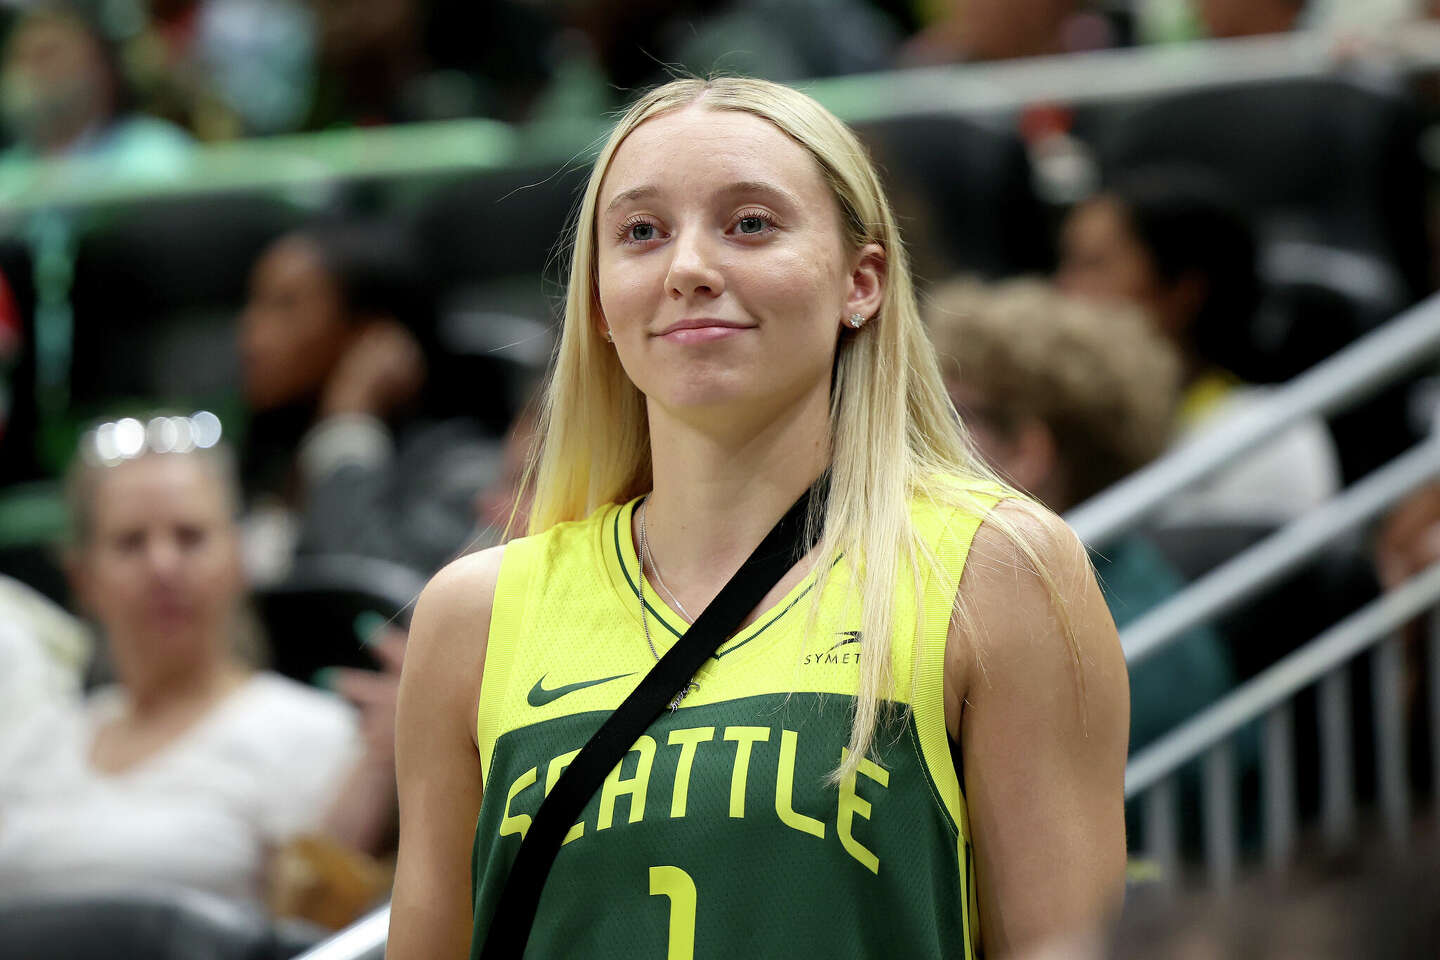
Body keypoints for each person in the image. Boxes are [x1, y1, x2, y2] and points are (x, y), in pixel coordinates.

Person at [388, 77, 1129, 959]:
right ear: (599, 303)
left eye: (750, 224)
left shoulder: (994, 570)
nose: (689, 267)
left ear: (862, 282)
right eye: (641, 233)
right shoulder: (472, 617)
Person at [0, 420, 390, 908]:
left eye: (190, 537)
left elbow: (314, 924)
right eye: (130, 542)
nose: (162, 564)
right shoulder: (39, 740)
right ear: (83, 578)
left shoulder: (313, 737)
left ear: (239, 557)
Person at [924, 277, 1233, 767]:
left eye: (950, 412)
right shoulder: (1100, 582)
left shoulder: (1124, 638)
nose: (918, 434)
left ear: (1028, 448)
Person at [1057, 167, 1341, 526]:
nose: (1064, 289)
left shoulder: (1265, 437)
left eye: (1094, 265)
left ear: (1182, 292)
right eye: (1066, 263)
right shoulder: (1057, 433)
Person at [238, 221, 499, 585]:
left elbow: (371, 598)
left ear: (370, 333)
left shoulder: (460, 473)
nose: (251, 335)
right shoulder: (268, 456)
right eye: (254, 303)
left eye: (285, 307)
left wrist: (348, 422)